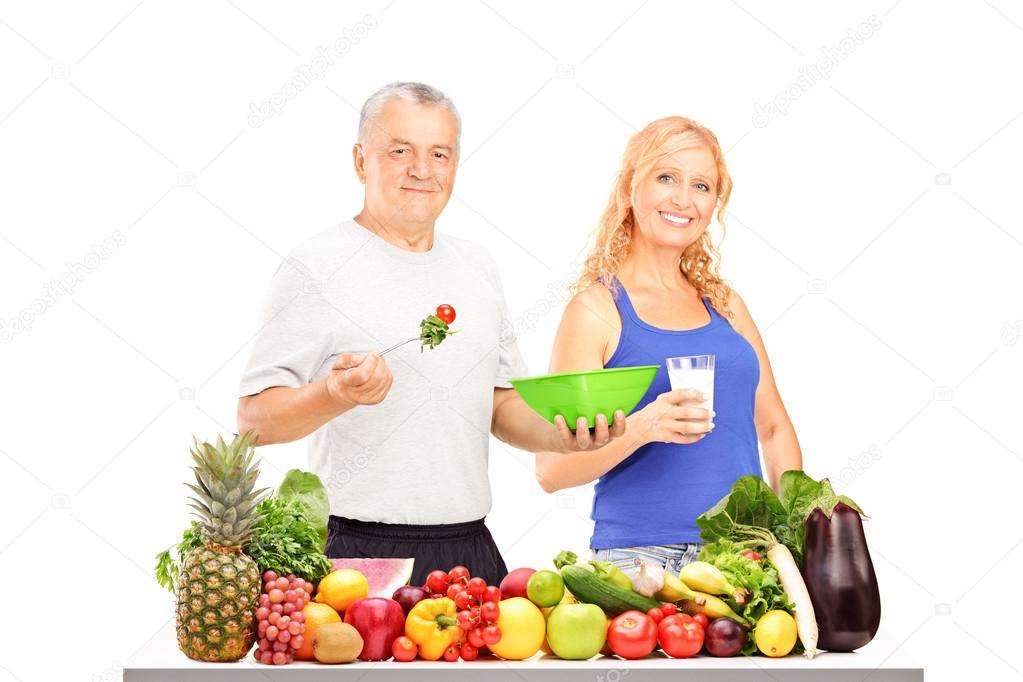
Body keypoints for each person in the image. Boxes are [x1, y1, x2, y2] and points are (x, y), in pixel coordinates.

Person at [236, 82, 623, 586]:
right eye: (400, 151)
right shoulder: (315, 265)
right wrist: (334, 392)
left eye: (438, 153)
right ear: (360, 161)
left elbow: (501, 406)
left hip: (472, 549)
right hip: (354, 554)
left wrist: (568, 436)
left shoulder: (477, 266)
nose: (422, 168)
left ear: (455, 164)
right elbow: (254, 421)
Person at [534, 116, 803, 577]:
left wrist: (797, 537)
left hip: (745, 559)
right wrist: (642, 426)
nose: (683, 199)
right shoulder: (598, 311)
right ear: (629, 189)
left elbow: (774, 427)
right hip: (642, 562)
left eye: (701, 185)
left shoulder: (726, 306)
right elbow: (551, 469)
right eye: (666, 178)